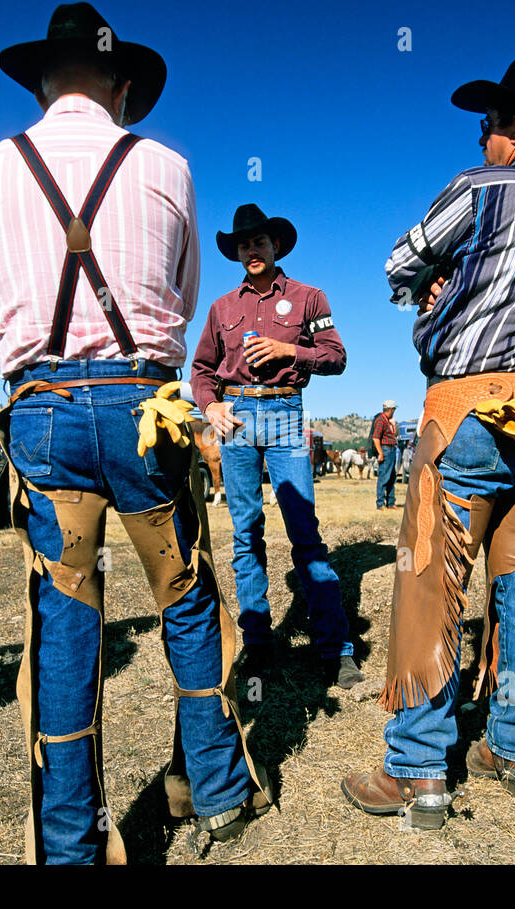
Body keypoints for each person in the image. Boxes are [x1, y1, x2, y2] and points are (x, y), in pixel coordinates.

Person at [0, 3, 267, 864]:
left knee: (64, 623)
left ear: (38, 82)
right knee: (186, 598)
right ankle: (213, 787)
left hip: (44, 408)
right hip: (148, 408)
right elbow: (179, 296)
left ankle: (70, 842)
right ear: (123, 87)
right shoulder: (167, 163)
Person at [342, 55, 515, 826]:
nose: (482, 134)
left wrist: (438, 289)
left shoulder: (481, 188)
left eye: (489, 123)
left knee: (431, 573)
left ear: (514, 128)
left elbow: (398, 264)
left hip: (467, 407)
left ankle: (420, 767)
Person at [191, 203, 361, 689]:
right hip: (237, 418)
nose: (251, 250)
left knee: (304, 533)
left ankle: (335, 648)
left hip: (286, 413)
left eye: (259, 241)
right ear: (237, 253)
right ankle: (258, 645)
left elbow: (336, 357)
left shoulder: (309, 297)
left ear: (275, 246)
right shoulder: (222, 308)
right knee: (245, 534)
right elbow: (202, 371)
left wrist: (291, 350)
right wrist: (211, 407)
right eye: (243, 244)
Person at [372, 399, 399, 509]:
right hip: (386, 450)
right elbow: (376, 438)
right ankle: (380, 503)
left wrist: (393, 425)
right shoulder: (381, 420)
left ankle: (391, 502)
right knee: (384, 477)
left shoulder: (388, 421)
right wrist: (380, 453)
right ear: (391, 409)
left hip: (391, 449)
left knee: (392, 477)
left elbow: (394, 435)